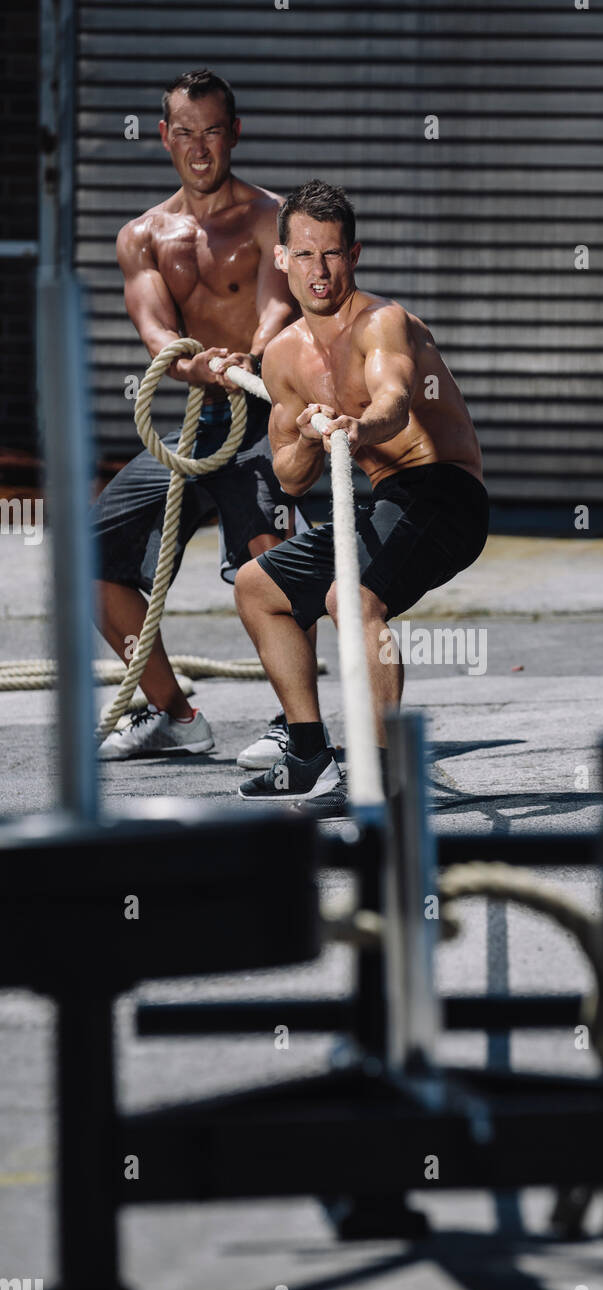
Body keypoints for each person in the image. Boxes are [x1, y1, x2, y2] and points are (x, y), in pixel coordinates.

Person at [234, 180, 489, 802]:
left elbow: (395, 403)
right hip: (385, 504)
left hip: (444, 494)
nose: (318, 272)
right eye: (304, 254)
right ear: (280, 258)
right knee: (256, 587)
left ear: (354, 254)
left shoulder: (383, 323)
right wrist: (306, 438)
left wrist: (356, 426)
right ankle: (308, 753)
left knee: (351, 600)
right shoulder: (283, 357)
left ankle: (380, 771)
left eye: (331, 254)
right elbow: (292, 478)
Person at [93, 68, 310, 767]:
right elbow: (157, 332)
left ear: (234, 133)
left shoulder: (272, 217)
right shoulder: (143, 236)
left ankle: (296, 729)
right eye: (183, 132)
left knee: (273, 568)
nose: (198, 146)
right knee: (91, 557)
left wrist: (247, 351)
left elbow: (280, 305)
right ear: (163, 137)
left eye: (212, 130)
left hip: (262, 412)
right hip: (197, 419)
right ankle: (176, 717)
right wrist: (191, 364)